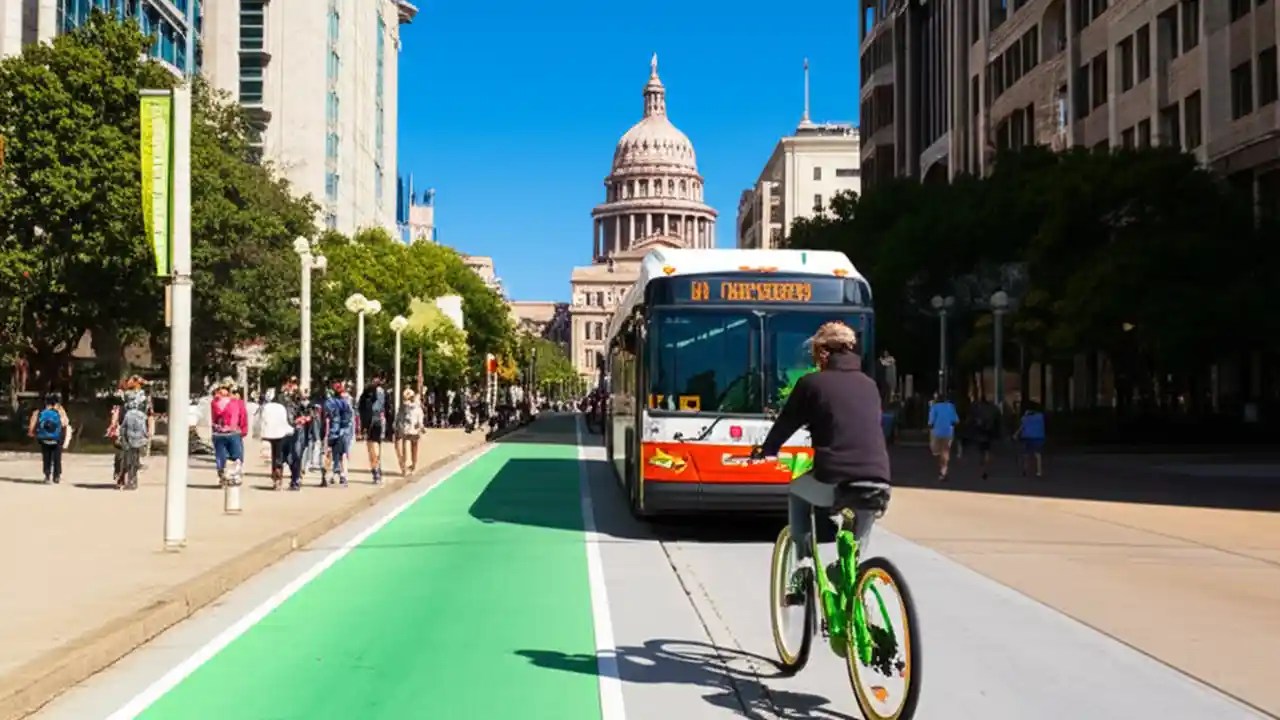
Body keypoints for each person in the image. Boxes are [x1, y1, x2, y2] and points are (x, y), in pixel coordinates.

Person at [749, 321, 891, 576]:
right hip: (879, 479)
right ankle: (854, 573)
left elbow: (786, 423)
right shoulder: (870, 385)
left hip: (835, 478)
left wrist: (767, 450)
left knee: (797, 491)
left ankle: (803, 564)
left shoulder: (811, 384)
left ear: (823, 352)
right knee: (864, 513)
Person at [210, 379, 249, 486]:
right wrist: (243, 430)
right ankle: (229, 476)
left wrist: (243, 430)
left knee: (227, 456)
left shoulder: (217, 402)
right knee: (231, 456)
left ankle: (228, 475)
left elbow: (242, 417)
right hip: (228, 433)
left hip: (225, 433)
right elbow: (243, 417)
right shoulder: (232, 402)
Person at [28, 393, 69, 484]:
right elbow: (65, 423)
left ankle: (47, 475)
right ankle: (56, 476)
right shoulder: (59, 410)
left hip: (43, 437)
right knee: (57, 457)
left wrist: (32, 433)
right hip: (57, 438)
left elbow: (32, 425)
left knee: (46, 457)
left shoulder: (39, 411)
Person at [358, 373, 391, 484]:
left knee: (372, 447)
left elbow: (361, 409)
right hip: (379, 421)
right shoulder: (383, 393)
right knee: (375, 445)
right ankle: (376, 468)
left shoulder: (366, 394)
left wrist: (362, 427)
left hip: (371, 422)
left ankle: (375, 469)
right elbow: (388, 409)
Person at [259, 388, 293, 490]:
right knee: (279, 455)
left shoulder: (266, 407)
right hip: (281, 434)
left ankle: (275, 477)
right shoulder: (281, 407)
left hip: (269, 434)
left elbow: (263, 420)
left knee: (273, 456)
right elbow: (285, 421)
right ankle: (279, 475)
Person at [323, 381, 354, 487]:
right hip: (343, 431)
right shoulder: (346, 403)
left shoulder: (329, 402)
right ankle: (343, 475)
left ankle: (327, 475)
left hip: (332, 431)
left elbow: (326, 417)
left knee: (330, 453)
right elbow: (349, 418)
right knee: (343, 454)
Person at [927, 391, 959, 482]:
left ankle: (942, 469)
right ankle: (943, 470)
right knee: (945, 451)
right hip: (948, 431)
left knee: (936, 451)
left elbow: (931, 421)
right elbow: (955, 420)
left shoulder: (934, 407)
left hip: (937, 432)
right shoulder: (950, 406)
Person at [395, 387, 425, 475]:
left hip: (409, 429)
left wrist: (420, 425)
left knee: (409, 446)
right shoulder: (409, 407)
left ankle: (410, 465)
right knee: (412, 446)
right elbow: (399, 418)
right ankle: (410, 465)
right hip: (408, 429)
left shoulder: (412, 406)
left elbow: (419, 415)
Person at [969, 396, 1000, 479]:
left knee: (981, 452)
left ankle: (982, 466)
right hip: (988, 433)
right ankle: (986, 467)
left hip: (980, 434)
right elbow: (997, 422)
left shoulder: (978, 411)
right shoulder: (993, 410)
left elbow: (972, 421)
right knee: (987, 451)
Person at [1014, 402, 1047, 478]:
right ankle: (1039, 471)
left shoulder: (1025, 417)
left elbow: (1022, 427)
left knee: (1026, 454)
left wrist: (1016, 434)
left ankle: (1026, 470)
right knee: (1038, 455)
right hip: (1039, 437)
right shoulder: (1040, 416)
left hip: (1027, 436)